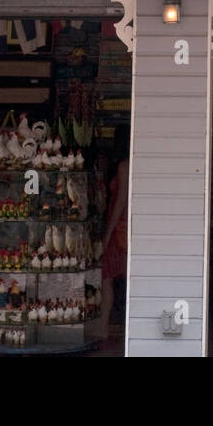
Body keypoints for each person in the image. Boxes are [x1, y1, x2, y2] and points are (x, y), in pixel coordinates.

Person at [97, 146, 130, 341]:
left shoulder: (125, 166)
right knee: (126, 277)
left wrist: (108, 233)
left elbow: (120, 201)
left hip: (120, 226)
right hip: (127, 225)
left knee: (108, 276)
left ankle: (103, 327)